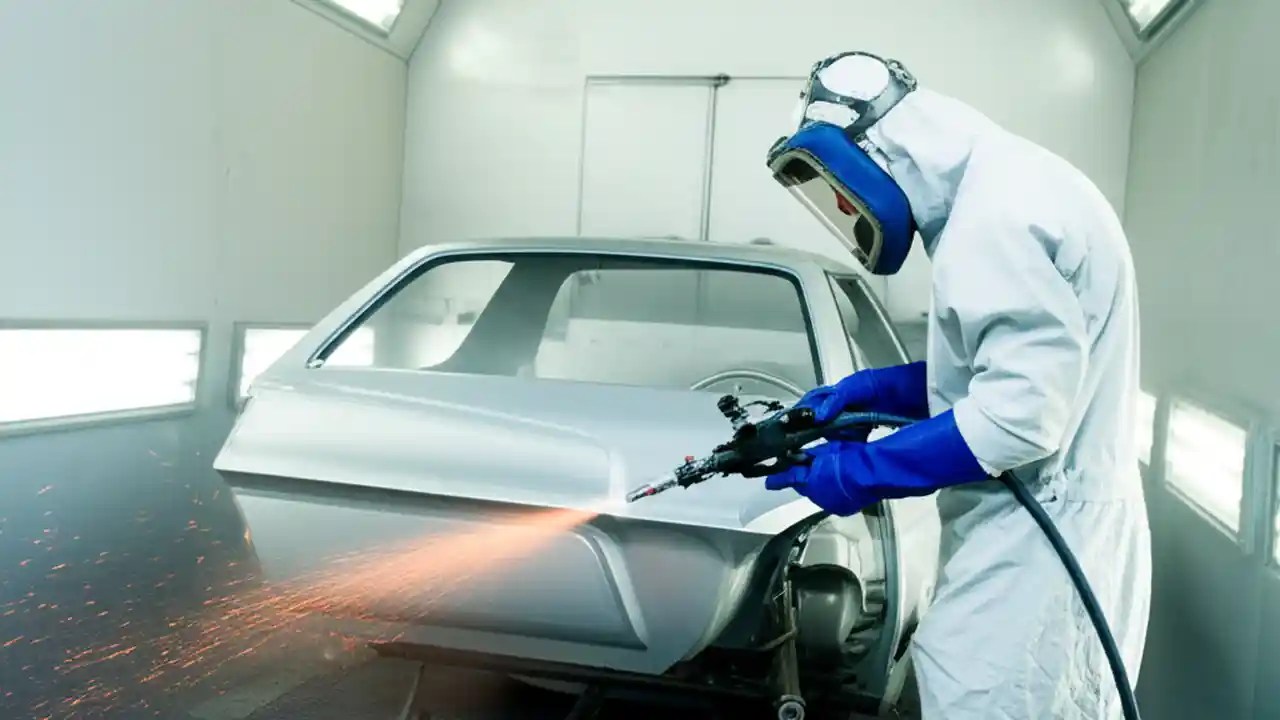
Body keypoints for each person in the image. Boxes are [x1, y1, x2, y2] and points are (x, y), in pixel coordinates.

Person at [762, 52, 1151, 719]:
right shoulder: (1011, 184)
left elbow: (1019, 417)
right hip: (1054, 526)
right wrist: (876, 390)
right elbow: (1011, 372)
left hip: (1038, 556)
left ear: (874, 149)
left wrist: (862, 471)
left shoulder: (993, 219)